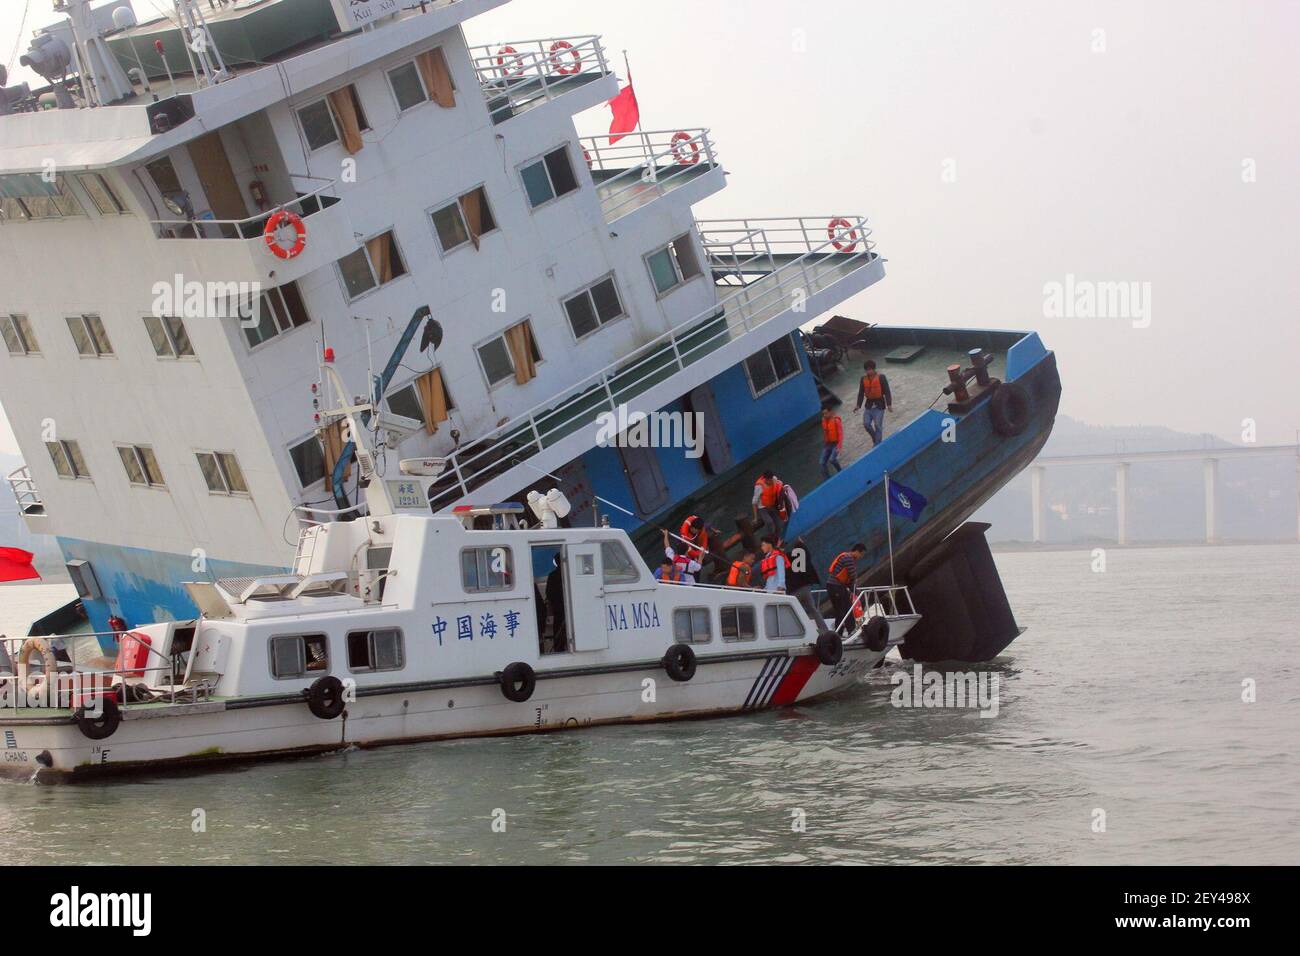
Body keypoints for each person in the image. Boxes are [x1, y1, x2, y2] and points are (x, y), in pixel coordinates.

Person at [827, 543, 867, 635]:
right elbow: (852, 576)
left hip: (835, 587)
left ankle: (841, 633)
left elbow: (848, 580)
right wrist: (856, 591)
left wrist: (854, 591)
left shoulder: (846, 557)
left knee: (842, 610)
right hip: (836, 587)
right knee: (846, 609)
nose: (861, 557)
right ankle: (850, 631)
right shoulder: (849, 559)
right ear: (857, 551)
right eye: (861, 554)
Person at [853, 360, 893, 447]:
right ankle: (875, 438)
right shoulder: (863, 379)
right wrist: (858, 405)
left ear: (874, 369)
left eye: (870, 369)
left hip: (879, 406)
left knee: (877, 425)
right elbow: (861, 393)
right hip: (869, 406)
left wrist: (889, 404)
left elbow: (887, 391)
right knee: (866, 424)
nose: (868, 371)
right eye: (867, 370)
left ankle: (877, 445)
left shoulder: (881, 377)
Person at [784, 537, 822, 620]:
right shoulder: (806, 557)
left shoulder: (789, 557)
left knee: (797, 613)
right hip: (805, 587)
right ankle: (824, 629)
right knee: (813, 610)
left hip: (793, 591)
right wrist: (802, 544)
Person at [752, 471, 786, 543]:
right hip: (762, 508)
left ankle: (777, 540)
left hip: (771, 505)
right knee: (769, 522)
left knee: (779, 523)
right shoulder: (759, 487)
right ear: (765, 479)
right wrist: (755, 517)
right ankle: (770, 539)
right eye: (769, 480)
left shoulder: (774, 479)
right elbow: (754, 502)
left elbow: (779, 488)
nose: (771, 481)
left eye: (771, 479)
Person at [545, 554, 568, 653]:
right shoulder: (569, 573)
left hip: (558, 610)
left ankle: (559, 650)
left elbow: (549, 594)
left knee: (558, 634)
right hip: (570, 609)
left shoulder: (552, 575)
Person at [819, 405, 844, 477]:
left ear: (831, 412)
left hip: (836, 444)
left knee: (832, 460)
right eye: (823, 414)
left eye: (826, 413)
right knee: (821, 462)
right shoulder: (823, 421)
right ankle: (827, 479)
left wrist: (839, 446)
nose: (825, 415)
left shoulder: (836, 420)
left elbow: (840, 434)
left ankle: (840, 472)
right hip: (828, 444)